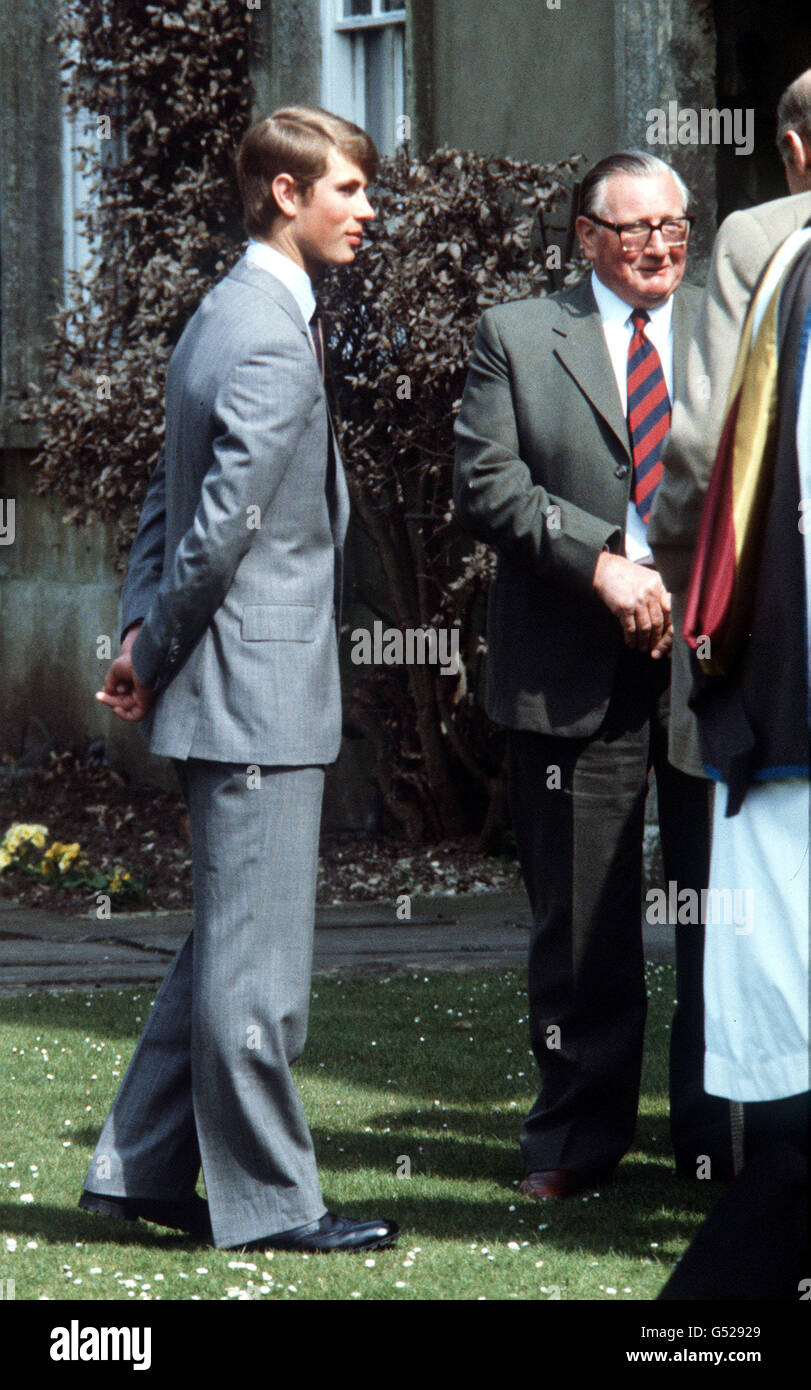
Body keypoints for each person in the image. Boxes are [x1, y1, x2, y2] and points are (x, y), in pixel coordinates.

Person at [78, 107, 399, 1253]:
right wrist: (152, 650)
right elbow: (217, 530)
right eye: (349, 191)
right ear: (283, 194)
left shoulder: (226, 312)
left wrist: (134, 632)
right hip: (253, 692)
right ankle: (271, 1206)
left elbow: (170, 505)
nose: (366, 211)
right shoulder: (265, 330)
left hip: (225, 685)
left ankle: (136, 1170)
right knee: (259, 973)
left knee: (227, 941)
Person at [454, 151, 732, 1198]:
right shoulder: (516, 337)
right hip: (572, 670)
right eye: (633, 229)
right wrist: (600, 562)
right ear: (583, 236)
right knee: (581, 926)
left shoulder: (727, 322)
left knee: (723, 915)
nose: (660, 244)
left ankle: (718, 1144)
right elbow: (486, 484)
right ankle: (574, 1141)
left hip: (716, 669)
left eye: (675, 224)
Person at [648, 70, 811, 1157]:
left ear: (795, 154)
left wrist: (674, 571)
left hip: (785, 643)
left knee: (776, 909)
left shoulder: (769, 241)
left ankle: (754, 1152)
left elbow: (708, 443)